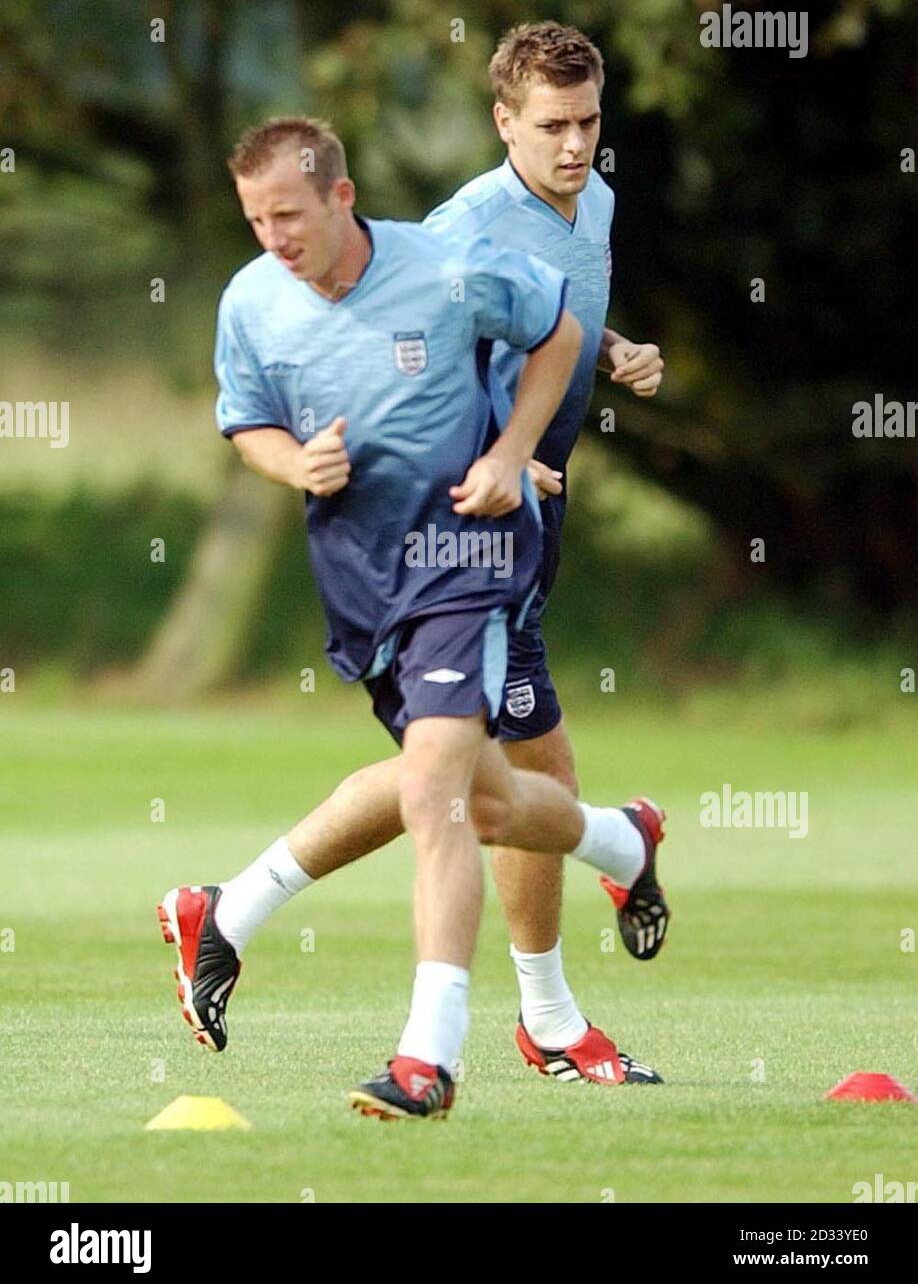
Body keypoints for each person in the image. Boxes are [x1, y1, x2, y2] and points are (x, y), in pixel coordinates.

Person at [159, 99, 667, 1118]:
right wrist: (294, 462)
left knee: (443, 788)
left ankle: (429, 1058)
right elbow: (245, 422)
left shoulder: (439, 265)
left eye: (291, 215)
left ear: (341, 194)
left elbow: (553, 331)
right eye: (258, 221)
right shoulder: (255, 300)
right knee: (474, 791)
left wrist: (512, 454)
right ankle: (623, 842)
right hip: (365, 573)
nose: (276, 238)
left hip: (472, 551)